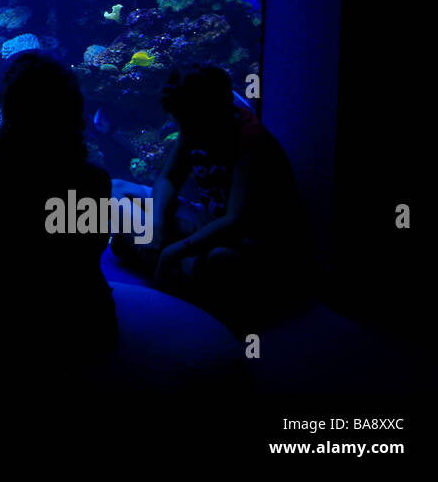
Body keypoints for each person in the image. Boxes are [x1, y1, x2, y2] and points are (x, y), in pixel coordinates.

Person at [0, 52, 117, 381]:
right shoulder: (94, 180)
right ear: (73, 111)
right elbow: (89, 253)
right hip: (79, 328)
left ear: (9, 108)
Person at [110, 65, 310, 325]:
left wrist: (174, 252)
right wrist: (157, 225)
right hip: (206, 219)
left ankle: (166, 264)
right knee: (115, 189)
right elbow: (169, 178)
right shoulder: (193, 125)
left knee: (219, 262)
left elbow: (236, 221)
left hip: (246, 242)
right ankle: (168, 262)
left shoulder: (250, 142)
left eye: (187, 122)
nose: (183, 129)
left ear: (211, 111)